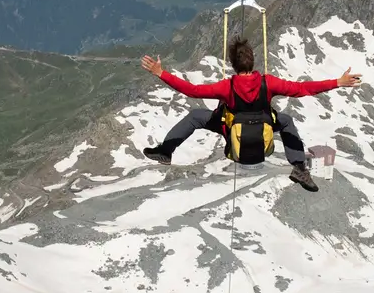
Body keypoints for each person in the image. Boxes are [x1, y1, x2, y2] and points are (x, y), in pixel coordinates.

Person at [139, 37, 362, 192]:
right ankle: (299, 168)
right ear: (252, 62)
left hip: (231, 133)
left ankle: (166, 152)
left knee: (196, 115)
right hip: (262, 131)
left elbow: (192, 90)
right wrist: (337, 82)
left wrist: (161, 73)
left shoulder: (226, 87)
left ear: (233, 65)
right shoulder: (269, 83)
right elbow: (302, 89)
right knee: (286, 121)